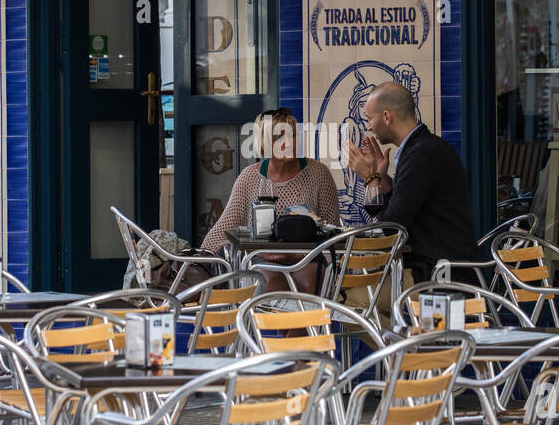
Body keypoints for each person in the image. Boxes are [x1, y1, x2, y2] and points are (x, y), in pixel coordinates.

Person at [346, 81, 479, 284]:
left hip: (436, 275)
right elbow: (406, 207)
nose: (369, 126)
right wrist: (383, 182)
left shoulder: (421, 155)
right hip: (444, 268)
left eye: (369, 118)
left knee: (345, 296)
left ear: (386, 117)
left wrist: (370, 179)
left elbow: (391, 229)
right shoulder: (424, 148)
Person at [200, 109, 341, 285]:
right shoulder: (250, 178)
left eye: (293, 135)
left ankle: (310, 314)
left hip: (308, 258)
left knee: (308, 279)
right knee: (269, 279)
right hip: (262, 260)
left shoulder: (318, 173)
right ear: (265, 143)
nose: (289, 143)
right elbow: (217, 237)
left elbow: (333, 233)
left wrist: (298, 254)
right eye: (279, 138)